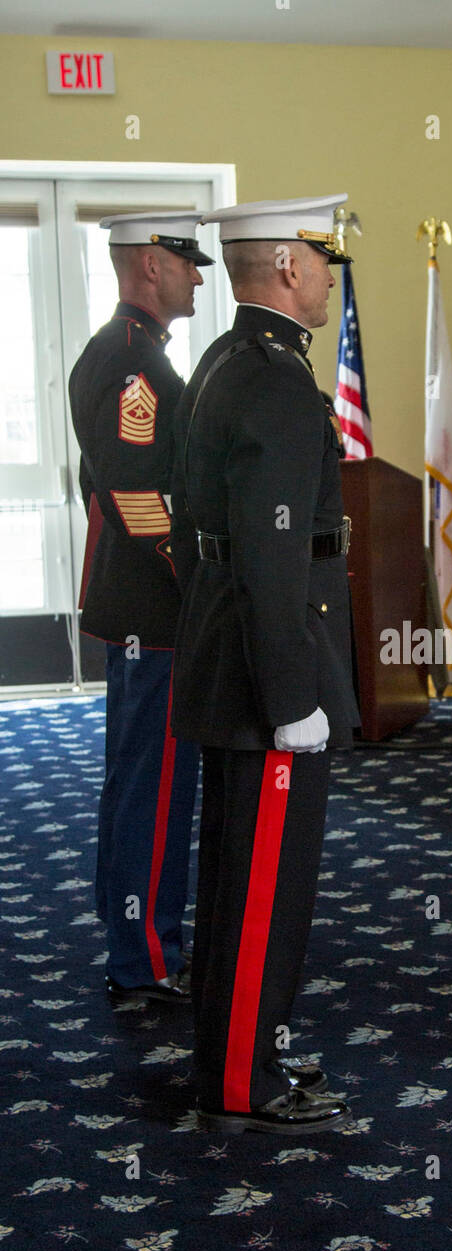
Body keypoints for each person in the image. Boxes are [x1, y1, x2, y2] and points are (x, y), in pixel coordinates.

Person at [170, 196, 360, 1137]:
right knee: (262, 885)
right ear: (288, 264)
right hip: (269, 671)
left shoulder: (222, 359)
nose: (332, 273)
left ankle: (238, 1047)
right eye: (325, 257)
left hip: (223, 648)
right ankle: (240, 1080)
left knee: (234, 872)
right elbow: (275, 551)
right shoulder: (278, 382)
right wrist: (296, 697)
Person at [69, 213, 213, 1004]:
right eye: (188, 263)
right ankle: (146, 957)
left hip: (138, 608)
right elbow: (136, 495)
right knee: (152, 789)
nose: (198, 276)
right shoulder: (133, 364)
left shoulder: (130, 351)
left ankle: (138, 941)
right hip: (153, 611)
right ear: (152, 265)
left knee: (138, 780)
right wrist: (197, 581)